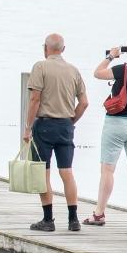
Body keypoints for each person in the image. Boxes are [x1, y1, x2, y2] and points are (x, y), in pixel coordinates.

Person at [84, 37, 127, 227]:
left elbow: (97, 73)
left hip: (116, 123)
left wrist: (110, 56)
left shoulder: (123, 70)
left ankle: (99, 214)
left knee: (108, 169)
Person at [25, 33, 89, 232]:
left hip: (44, 125)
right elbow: (84, 103)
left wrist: (27, 128)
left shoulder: (40, 67)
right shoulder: (73, 71)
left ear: (46, 48)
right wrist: (71, 121)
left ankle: (48, 219)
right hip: (65, 126)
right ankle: (73, 219)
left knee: (43, 172)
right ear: (63, 49)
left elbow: (35, 99)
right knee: (66, 172)